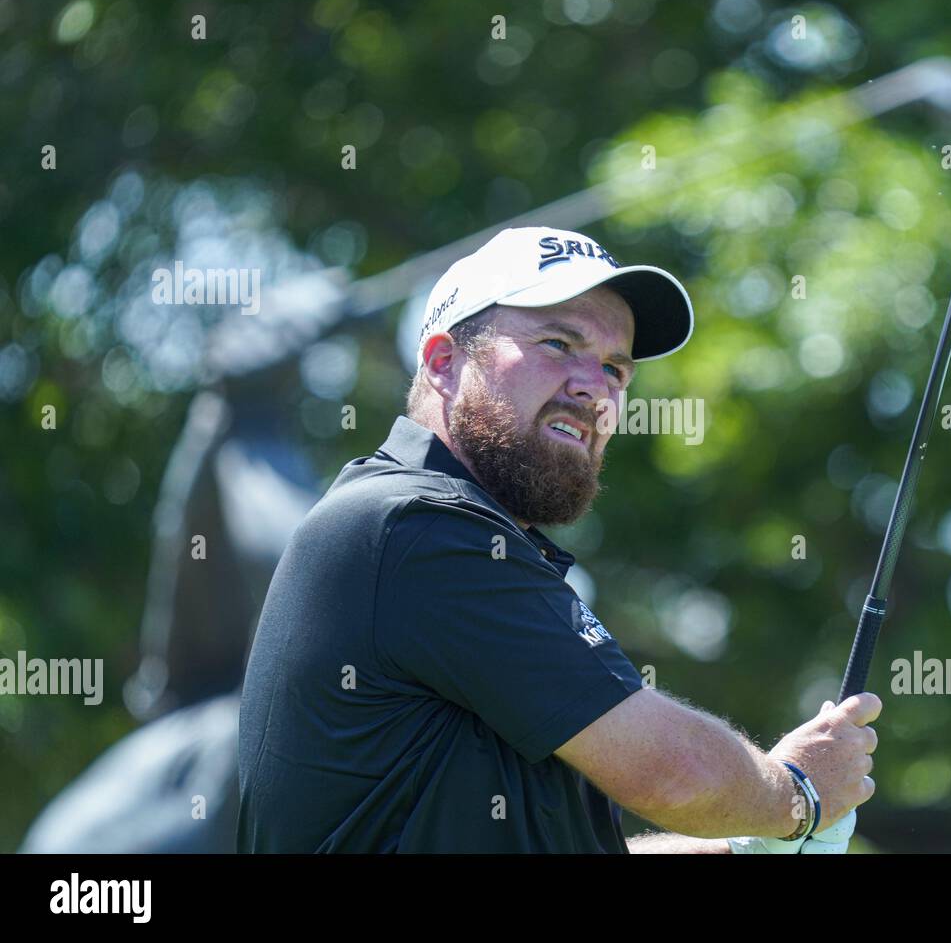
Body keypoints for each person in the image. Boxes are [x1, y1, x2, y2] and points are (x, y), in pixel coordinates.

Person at [237, 226, 880, 853]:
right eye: (557, 343)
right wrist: (797, 796)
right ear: (442, 362)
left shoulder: (457, 542)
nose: (594, 389)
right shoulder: (412, 525)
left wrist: (743, 845)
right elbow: (673, 775)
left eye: (615, 370)